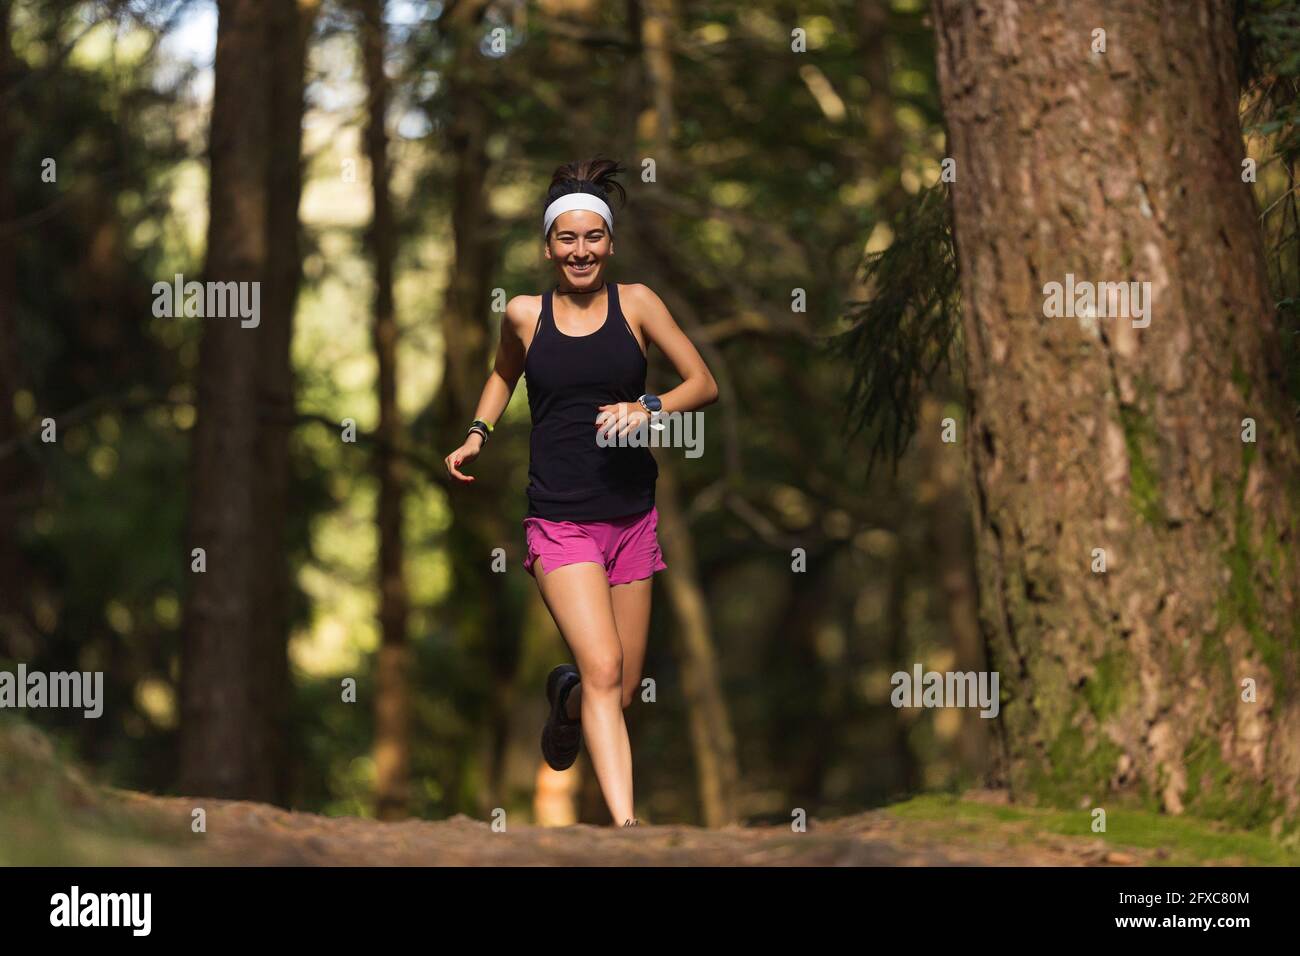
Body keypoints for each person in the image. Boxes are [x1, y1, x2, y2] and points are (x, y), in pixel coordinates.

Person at [443, 157, 718, 827]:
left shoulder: (640, 305)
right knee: (603, 665)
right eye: (566, 238)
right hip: (560, 521)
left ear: (610, 244)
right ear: (548, 246)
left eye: (592, 237)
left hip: (632, 518)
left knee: (616, 688)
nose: (580, 250)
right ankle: (628, 827)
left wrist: (649, 407)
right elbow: (503, 376)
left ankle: (565, 701)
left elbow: (702, 382)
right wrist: (478, 431)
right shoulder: (525, 316)